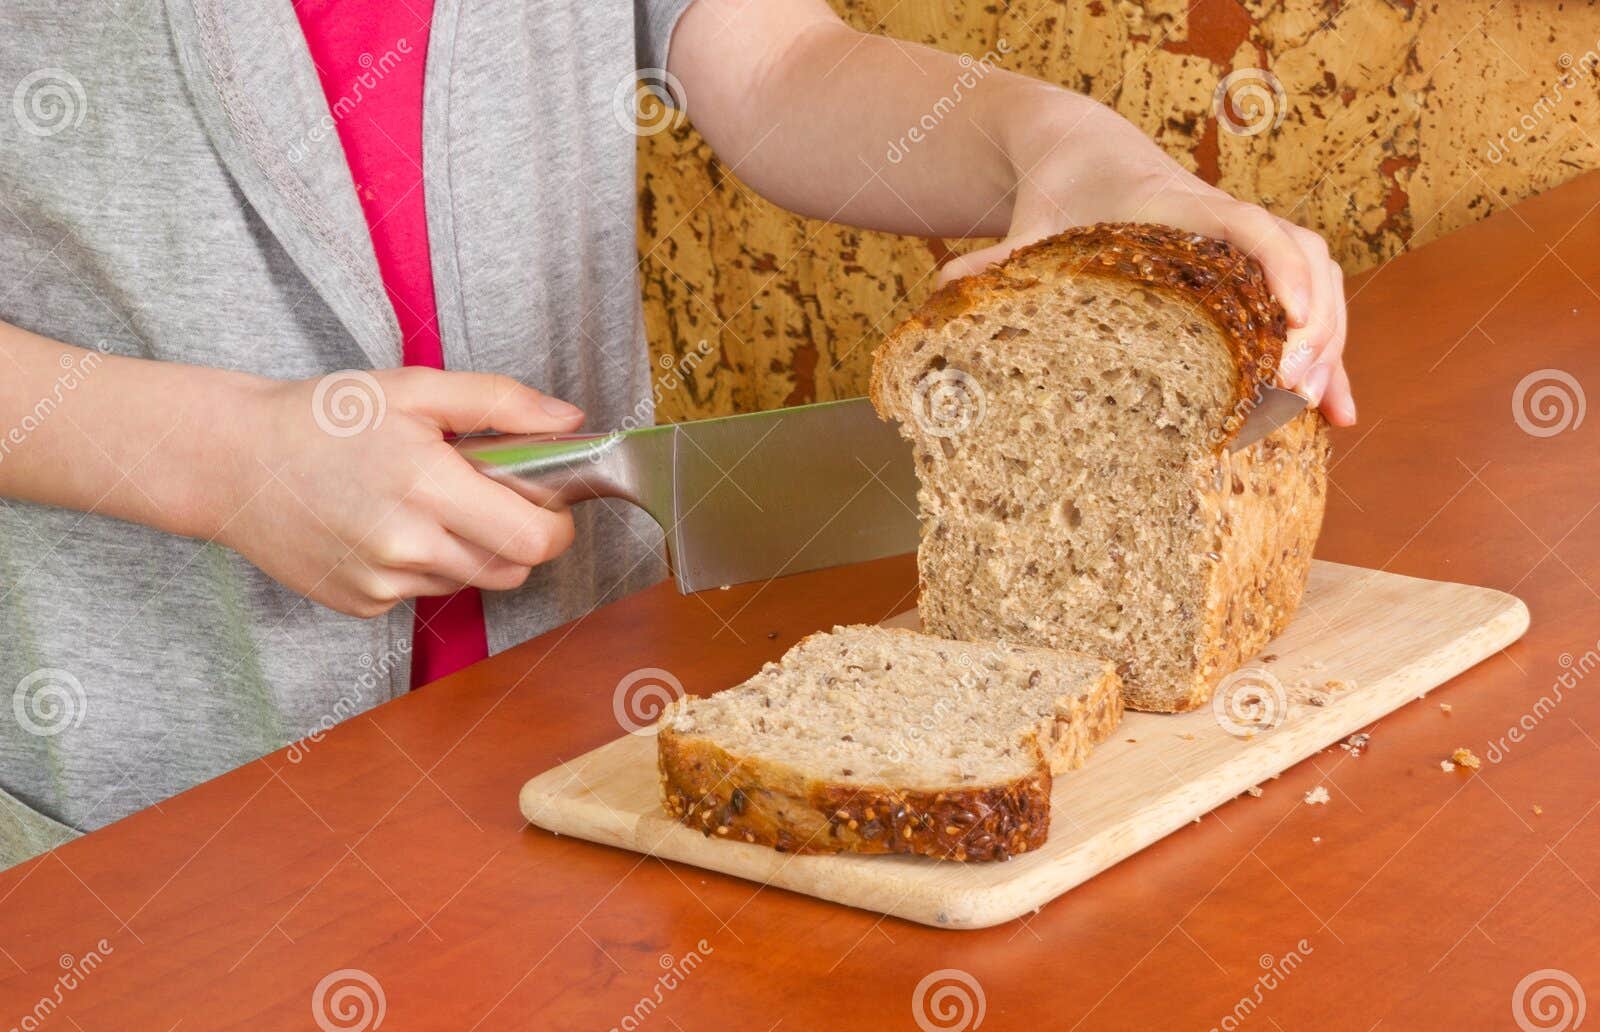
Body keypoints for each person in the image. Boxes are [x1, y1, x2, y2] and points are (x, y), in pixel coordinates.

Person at [0, 0, 1351, 858]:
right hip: (152, 818)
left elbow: (771, 56)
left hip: (577, 735)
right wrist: (220, 459)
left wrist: (1058, 146)